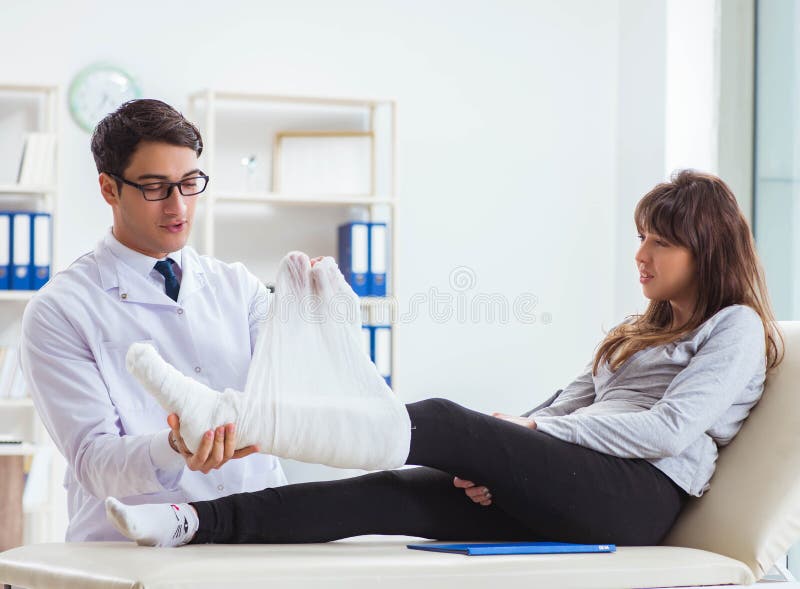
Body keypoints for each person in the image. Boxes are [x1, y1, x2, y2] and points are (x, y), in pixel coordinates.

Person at [106, 170, 783, 549]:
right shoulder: (642, 328)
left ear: (706, 248)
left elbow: (667, 431)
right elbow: (566, 403)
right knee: (393, 493)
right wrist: (507, 454)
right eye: (641, 237)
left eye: (660, 242)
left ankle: (231, 417)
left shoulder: (736, 328)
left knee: (440, 418)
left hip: (636, 499)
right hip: (580, 480)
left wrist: (528, 437)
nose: (641, 255)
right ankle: (192, 522)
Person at [20, 99, 287, 542]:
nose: (177, 206)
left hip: (255, 541)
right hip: (131, 556)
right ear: (109, 189)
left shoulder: (240, 288)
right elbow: (93, 461)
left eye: (188, 183)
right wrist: (174, 447)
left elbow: (290, 397)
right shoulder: (60, 309)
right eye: (155, 187)